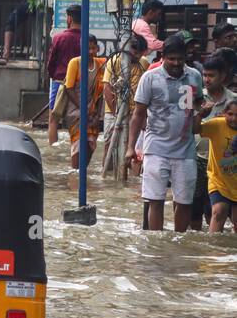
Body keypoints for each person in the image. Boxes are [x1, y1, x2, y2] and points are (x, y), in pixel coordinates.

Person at [129, 35, 204, 232]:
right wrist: (131, 148)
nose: (176, 63)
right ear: (163, 56)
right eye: (172, 59)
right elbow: (138, 114)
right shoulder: (150, 78)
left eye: (180, 59)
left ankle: (179, 241)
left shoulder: (194, 76)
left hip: (185, 149)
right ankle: (156, 243)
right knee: (155, 200)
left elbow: (196, 103)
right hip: (156, 148)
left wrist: (200, 113)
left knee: (185, 201)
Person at [50, 36, 106, 169]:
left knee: (91, 143)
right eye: (88, 48)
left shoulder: (101, 64)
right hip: (75, 110)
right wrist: (83, 109)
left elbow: (100, 92)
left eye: (93, 48)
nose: (91, 52)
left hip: (92, 111)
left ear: (97, 48)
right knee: (78, 142)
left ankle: (82, 171)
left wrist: (96, 114)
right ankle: (75, 173)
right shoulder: (75, 63)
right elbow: (69, 88)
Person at [101, 33, 151, 174]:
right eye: (135, 52)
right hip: (113, 111)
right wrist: (117, 114)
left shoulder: (144, 63)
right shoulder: (115, 61)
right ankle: (108, 176)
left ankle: (135, 179)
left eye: (140, 53)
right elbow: (107, 88)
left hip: (136, 112)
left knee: (136, 148)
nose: (137, 56)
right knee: (109, 145)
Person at [196, 94, 237, 233]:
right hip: (218, 179)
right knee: (219, 211)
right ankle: (212, 247)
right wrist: (200, 115)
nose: (234, 119)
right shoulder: (217, 125)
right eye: (230, 114)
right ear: (224, 113)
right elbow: (194, 129)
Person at [45, 4, 83, 113]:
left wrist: (53, 75)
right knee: (78, 117)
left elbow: (51, 63)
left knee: (53, 118)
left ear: (69, 18)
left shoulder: (59, 38)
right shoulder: (87, 39)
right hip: (79, 85)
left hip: (60, 82)